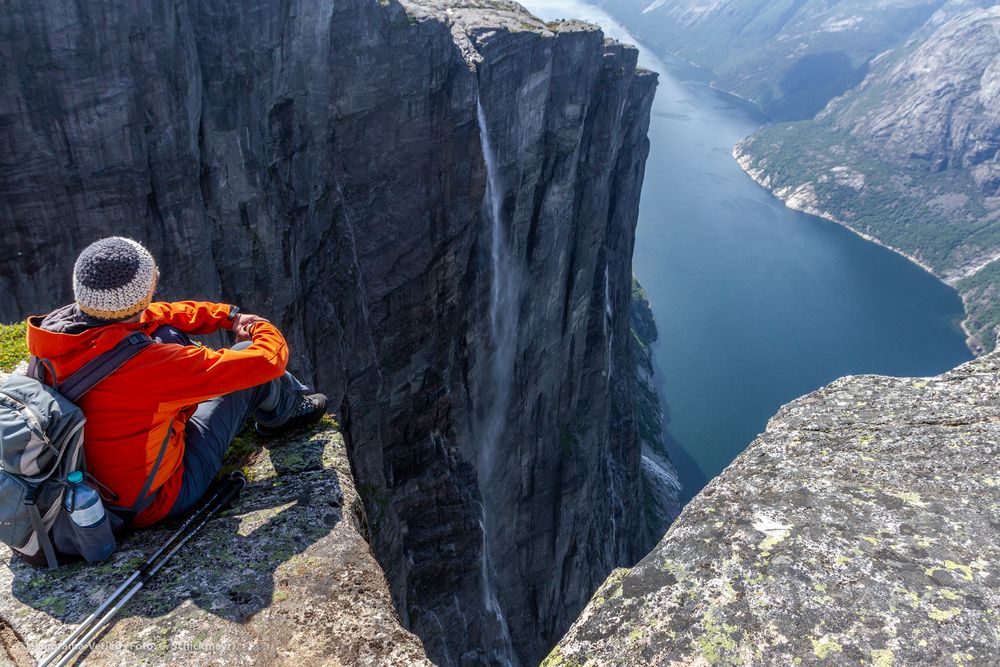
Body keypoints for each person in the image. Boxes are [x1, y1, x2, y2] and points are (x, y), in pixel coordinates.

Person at [25, 236, 326, 528]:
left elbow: (155, 315)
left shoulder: (58, 330)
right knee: (247, 359)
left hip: (88, 485)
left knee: (166, 333)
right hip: (153, 500)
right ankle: (285, 413)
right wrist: (260, 327)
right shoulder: (152, 366)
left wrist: (228, 316)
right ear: (143, 293)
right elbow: (265, 362)